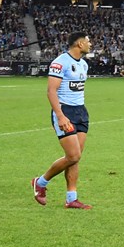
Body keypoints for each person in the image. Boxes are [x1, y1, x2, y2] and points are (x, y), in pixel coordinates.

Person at [32, 32, 93, 209]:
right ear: (79, 44)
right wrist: (60, 116)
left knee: (75, 158)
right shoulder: (60, 62)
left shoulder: (83, 64)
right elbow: (51, 91)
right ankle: (40, 182)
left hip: (81, 111)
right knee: (73, 155)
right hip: (65, 111)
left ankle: (71, 198)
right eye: (88, 41)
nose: (90, 44)